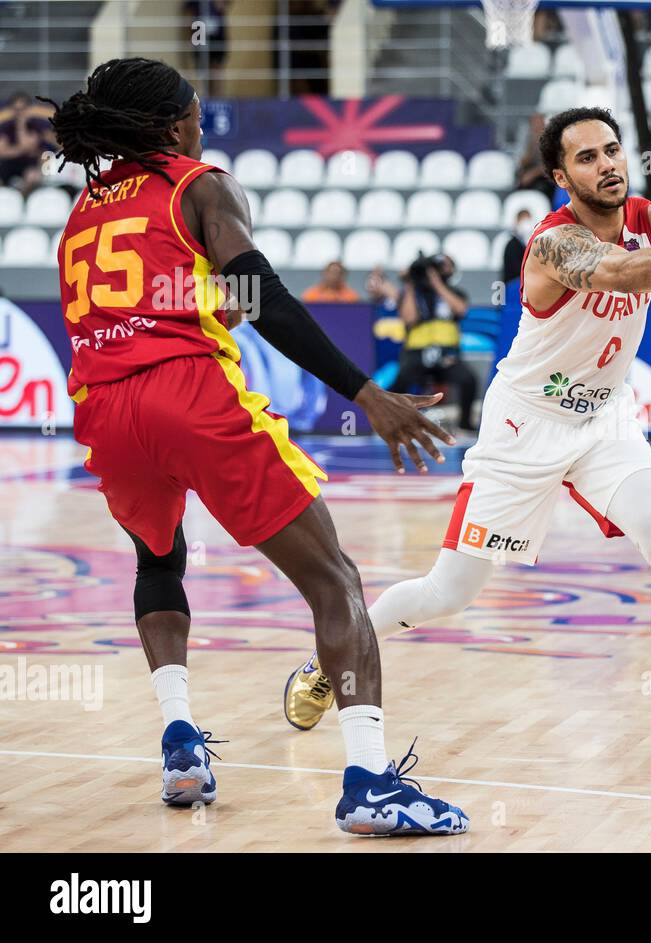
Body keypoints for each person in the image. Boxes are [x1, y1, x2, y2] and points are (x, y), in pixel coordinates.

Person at [282, 106, 651, 765]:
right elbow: (626, 273)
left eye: (613, 149)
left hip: (603, 418)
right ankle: (324, 658)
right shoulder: (552, 243)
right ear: (562, 176)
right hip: (522, 426)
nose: (608, 164)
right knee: (450, 591)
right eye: (588, 157)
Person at [43, 57, 465, 836]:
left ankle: (178, 740)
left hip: (103, 408)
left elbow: (136, 304)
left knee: (158, 560)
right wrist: (364, 393)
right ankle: (371, 780)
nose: (203, 122)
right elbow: (259, 292)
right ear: (173, 124)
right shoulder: (199, 182)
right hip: (188, 397)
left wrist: (202, 304)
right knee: (335, 579)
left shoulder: (83, 210)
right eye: (197, 110)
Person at [390, 252, 479, 432]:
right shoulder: (412, 293)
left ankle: (465, 425)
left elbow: (460, 310)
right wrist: (409, 283)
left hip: (447, 355)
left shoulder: (455, 292)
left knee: (469, 379)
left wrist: (437, 283)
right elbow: (409, 318)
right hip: (416, 354)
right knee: (399, 382)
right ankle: (393, 422)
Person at [0, 93, 49, 194]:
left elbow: (28, 146)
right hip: (8, 165)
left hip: (29, 164)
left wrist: (21, 127)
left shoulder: (35, 126)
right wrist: (22, 149)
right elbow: (3, 152)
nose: (19, 113)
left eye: (22, 109)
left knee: (32, 176)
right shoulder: (6, 128)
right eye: (16, 109)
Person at [516, 112, 553, 199]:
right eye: (535, 123)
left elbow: (550, 165)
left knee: (540, 188)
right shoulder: (527, 139)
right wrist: (532, 146)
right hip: (529, 174)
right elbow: (522, 162)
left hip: (546, 177)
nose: (538, 126)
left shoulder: (551, 139)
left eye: (540, 122)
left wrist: (532, 174)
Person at [502, 208, 533, 286]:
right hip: (515, 287)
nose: (526, 225)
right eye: (523, 221)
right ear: (517, 223)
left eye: (528, 221)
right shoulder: (511, 245)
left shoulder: (535, 244)